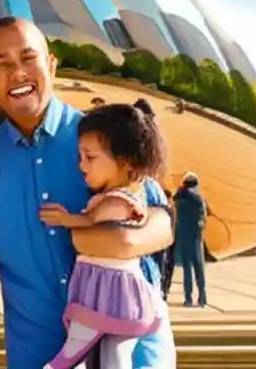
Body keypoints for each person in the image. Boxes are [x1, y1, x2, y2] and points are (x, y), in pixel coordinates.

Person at [0, 17, 176, 369]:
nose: (18, 72)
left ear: (51, 65)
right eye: (3, 63)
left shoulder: (104, 138)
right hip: (35, 353)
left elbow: (161, 218)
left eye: (29, 58)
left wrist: (119, 242)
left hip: (131, 353)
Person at [38, 100, 169, 368]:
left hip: (113, 292)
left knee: (100, 347)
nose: (81, 165)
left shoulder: (119, 201)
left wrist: (70, 223)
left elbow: (108, 237)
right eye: (80, 157)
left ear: (125, 161)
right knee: (101, 348)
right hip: (113, 291)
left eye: (90, 157)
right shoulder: (112, 196)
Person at [173, 172, 208, 307]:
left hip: (183, 238)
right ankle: (202, 297)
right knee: (199, 269)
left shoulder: (178, 200)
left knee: (187, 270)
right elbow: (203, 219)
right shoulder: (198, 201)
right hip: (195, 238)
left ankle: (188, 298)